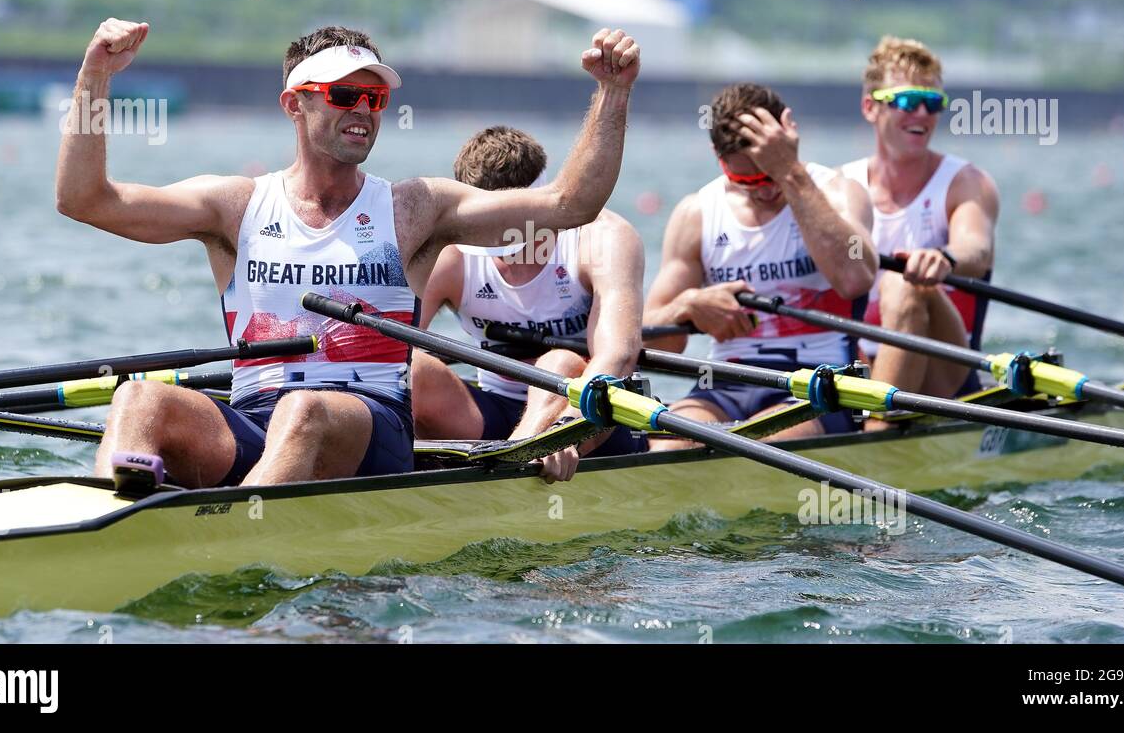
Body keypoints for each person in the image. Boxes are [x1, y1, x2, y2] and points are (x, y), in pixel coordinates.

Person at [56, 18, 640, 486]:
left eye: (375, 97)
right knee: (138, 398)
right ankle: (97, 533)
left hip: (371, 427)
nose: (362, 109)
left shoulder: (415, 208)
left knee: (303, 411)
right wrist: (95, 75)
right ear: (294, 104)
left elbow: (570, 204)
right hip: (255, 421)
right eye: (343, 95)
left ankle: (231, 537)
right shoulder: (233, 206)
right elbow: (86, 200)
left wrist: (613, 92)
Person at [643, 83, 877, 447]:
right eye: (747, 181)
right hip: (726, 382)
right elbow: (652, 343)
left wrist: (790, 173)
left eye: (770, 175)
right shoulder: (697, 213)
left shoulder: (839, 193)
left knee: (756, 446)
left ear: (789, 133)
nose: (766, 191)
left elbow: (855, 278)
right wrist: (687, 305)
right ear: (718, 157)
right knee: (665, 449)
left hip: (822, 382)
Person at [411, 126, 646, 482]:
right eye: (484, 224)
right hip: (490, 415)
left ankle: (519, 457)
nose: (497, 239)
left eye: (510, 223)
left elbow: (619, 356)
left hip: (588, 417)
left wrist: (567, 429)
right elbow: (391, 352)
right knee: (413, 368)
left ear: (541, 203)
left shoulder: (601, 239)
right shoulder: (451, 256)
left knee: (559, 362)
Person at [840, 37, 999, 419]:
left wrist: (945, 258)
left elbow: (976, 248)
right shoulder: (840, 186)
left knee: (904, 285)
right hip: (856, 363)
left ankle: (877, 434)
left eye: (933, 103)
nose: (923, 114)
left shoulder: (966, 182)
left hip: (946, 371)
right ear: (870, 107)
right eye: (909, 101)